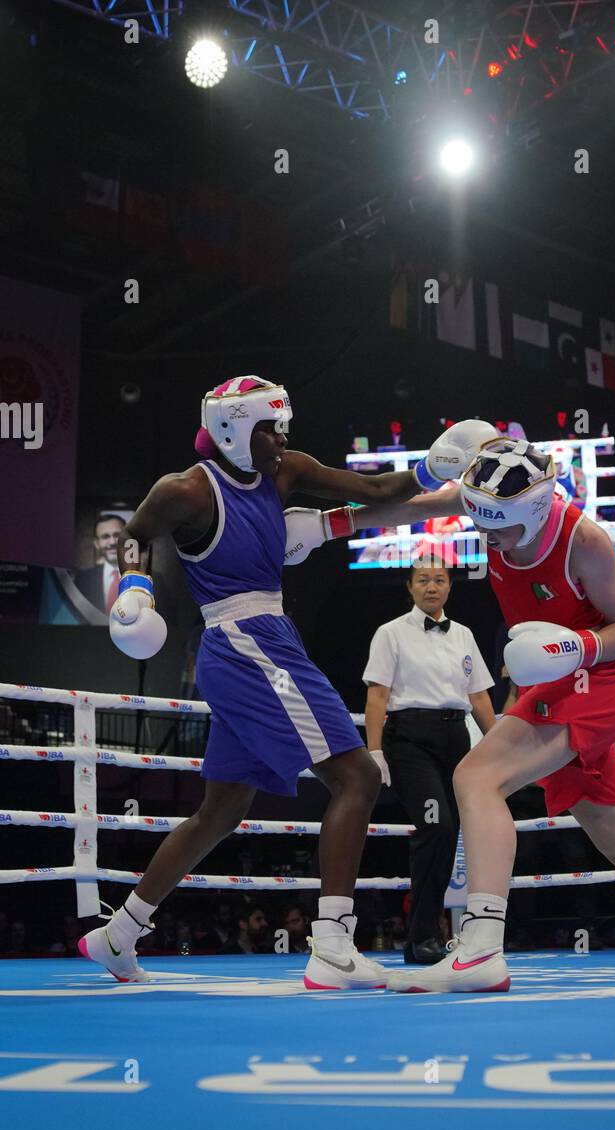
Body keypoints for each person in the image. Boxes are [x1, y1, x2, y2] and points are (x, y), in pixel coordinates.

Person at [284, 434, 615, 991]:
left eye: (497, 526)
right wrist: (331, 526)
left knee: (476, 775)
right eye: (479, 519)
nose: (485, 535)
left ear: (535, 509)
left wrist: (575, 646)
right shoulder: (490, 499)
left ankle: (480, 950)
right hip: (553, 687)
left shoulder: (583, 541)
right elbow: (407, 506)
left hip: (597, 683)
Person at [78, 379, 493, 991]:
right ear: (234, 430)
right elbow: (135, 535)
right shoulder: (188, 489)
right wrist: (136, 588)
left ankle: (120, 934)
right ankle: (331, 945)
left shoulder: (284, 471)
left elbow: (377, 491)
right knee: (356, 775)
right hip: (243, 642)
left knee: (221, 810)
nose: (282, 439)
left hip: (266, 638)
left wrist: (432, 466)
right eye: (271, 428)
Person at [363, 554, 496, 963]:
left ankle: (426, 937)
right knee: (436, 828)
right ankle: (422, 935)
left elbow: (478, 698)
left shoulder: (464, 635)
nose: (432, 587)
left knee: (450, 832)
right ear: (410, 586)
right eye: (423, 580)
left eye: (439, 579)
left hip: (455, 737)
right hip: (409, 741)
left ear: (450, 586)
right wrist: (375, 751)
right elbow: (377, 697)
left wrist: (501, 747)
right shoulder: (390, 633)